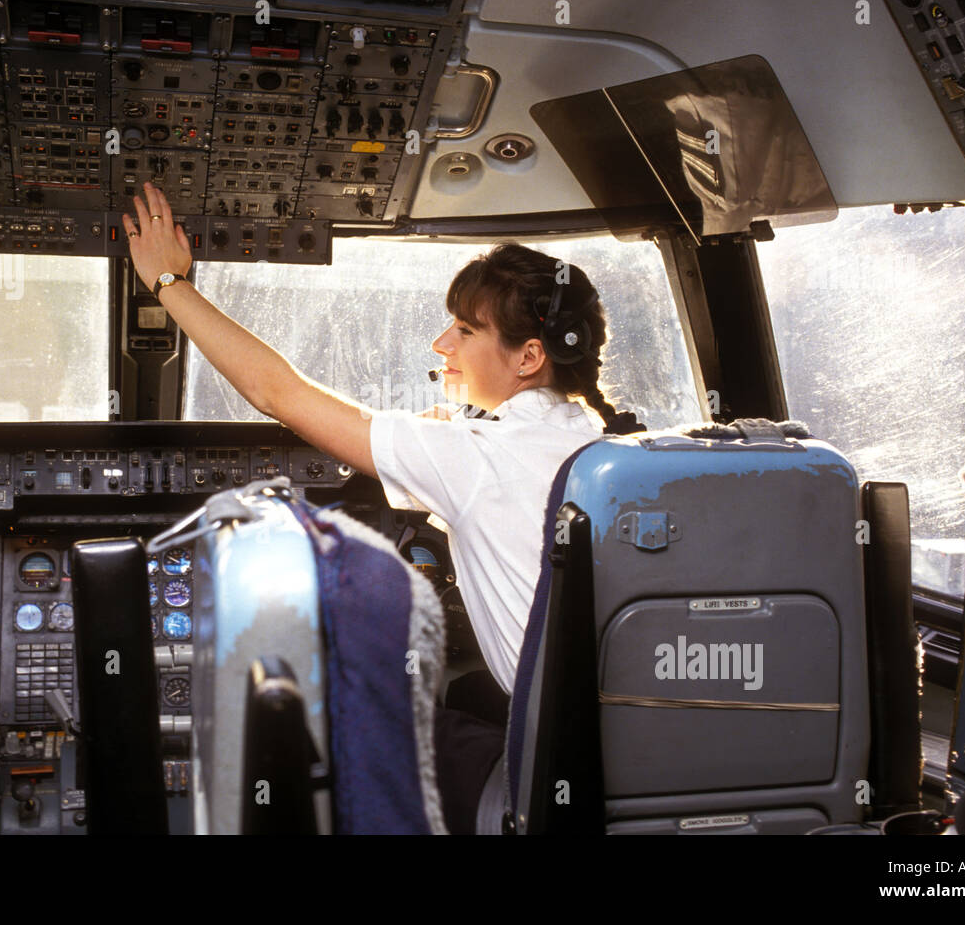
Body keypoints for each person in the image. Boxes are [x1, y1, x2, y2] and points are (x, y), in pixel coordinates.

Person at [124, 181, 636, 832]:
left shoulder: (473, 454)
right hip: (642, 758)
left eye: (465, 330)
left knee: (359, 714)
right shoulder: (607, 445)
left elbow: (275, 391)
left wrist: (168, 280)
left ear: (530, 356)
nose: (440, 345)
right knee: (469, 694)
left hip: (565, 783)